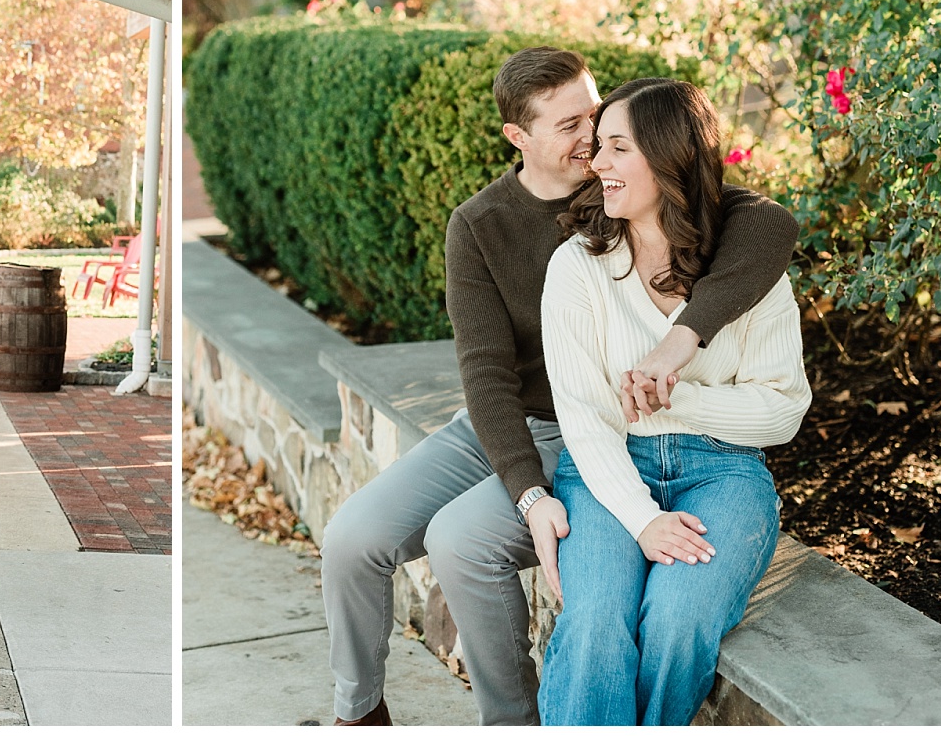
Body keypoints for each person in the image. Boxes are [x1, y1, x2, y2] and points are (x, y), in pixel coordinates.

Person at [318, 47, 798, 726]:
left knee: (461, 541)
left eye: (596, 118)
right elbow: (485, 374)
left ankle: (514, 720)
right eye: (571, 126)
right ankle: (358, 713)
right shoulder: (482, 224)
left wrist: (680, 343)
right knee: (350, 538)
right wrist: (527, 490)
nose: (592, 143)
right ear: (518, 137)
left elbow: (768, 225)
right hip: (523, 421)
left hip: (606, 423)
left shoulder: (623, 186)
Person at [536, 79, 810, 724]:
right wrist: (641, 519)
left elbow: (782, 410)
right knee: (597, 621)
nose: (596, 163)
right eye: (598, 145)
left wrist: (676, 399)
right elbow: (587, 420)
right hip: (606, 470)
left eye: (617, 147)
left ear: (669, 157)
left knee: (677, 621)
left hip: (724, 472)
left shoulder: (747, 270)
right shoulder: (577, 266)